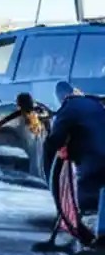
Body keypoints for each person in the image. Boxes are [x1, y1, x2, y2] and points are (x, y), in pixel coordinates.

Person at [46, 81, 105, 218]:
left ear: (61, 98)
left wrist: (52, 146)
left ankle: (88, 229)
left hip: (91, 159)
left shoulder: (68, 108)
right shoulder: (95, 104)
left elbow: (56, 139)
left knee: (88, 194)